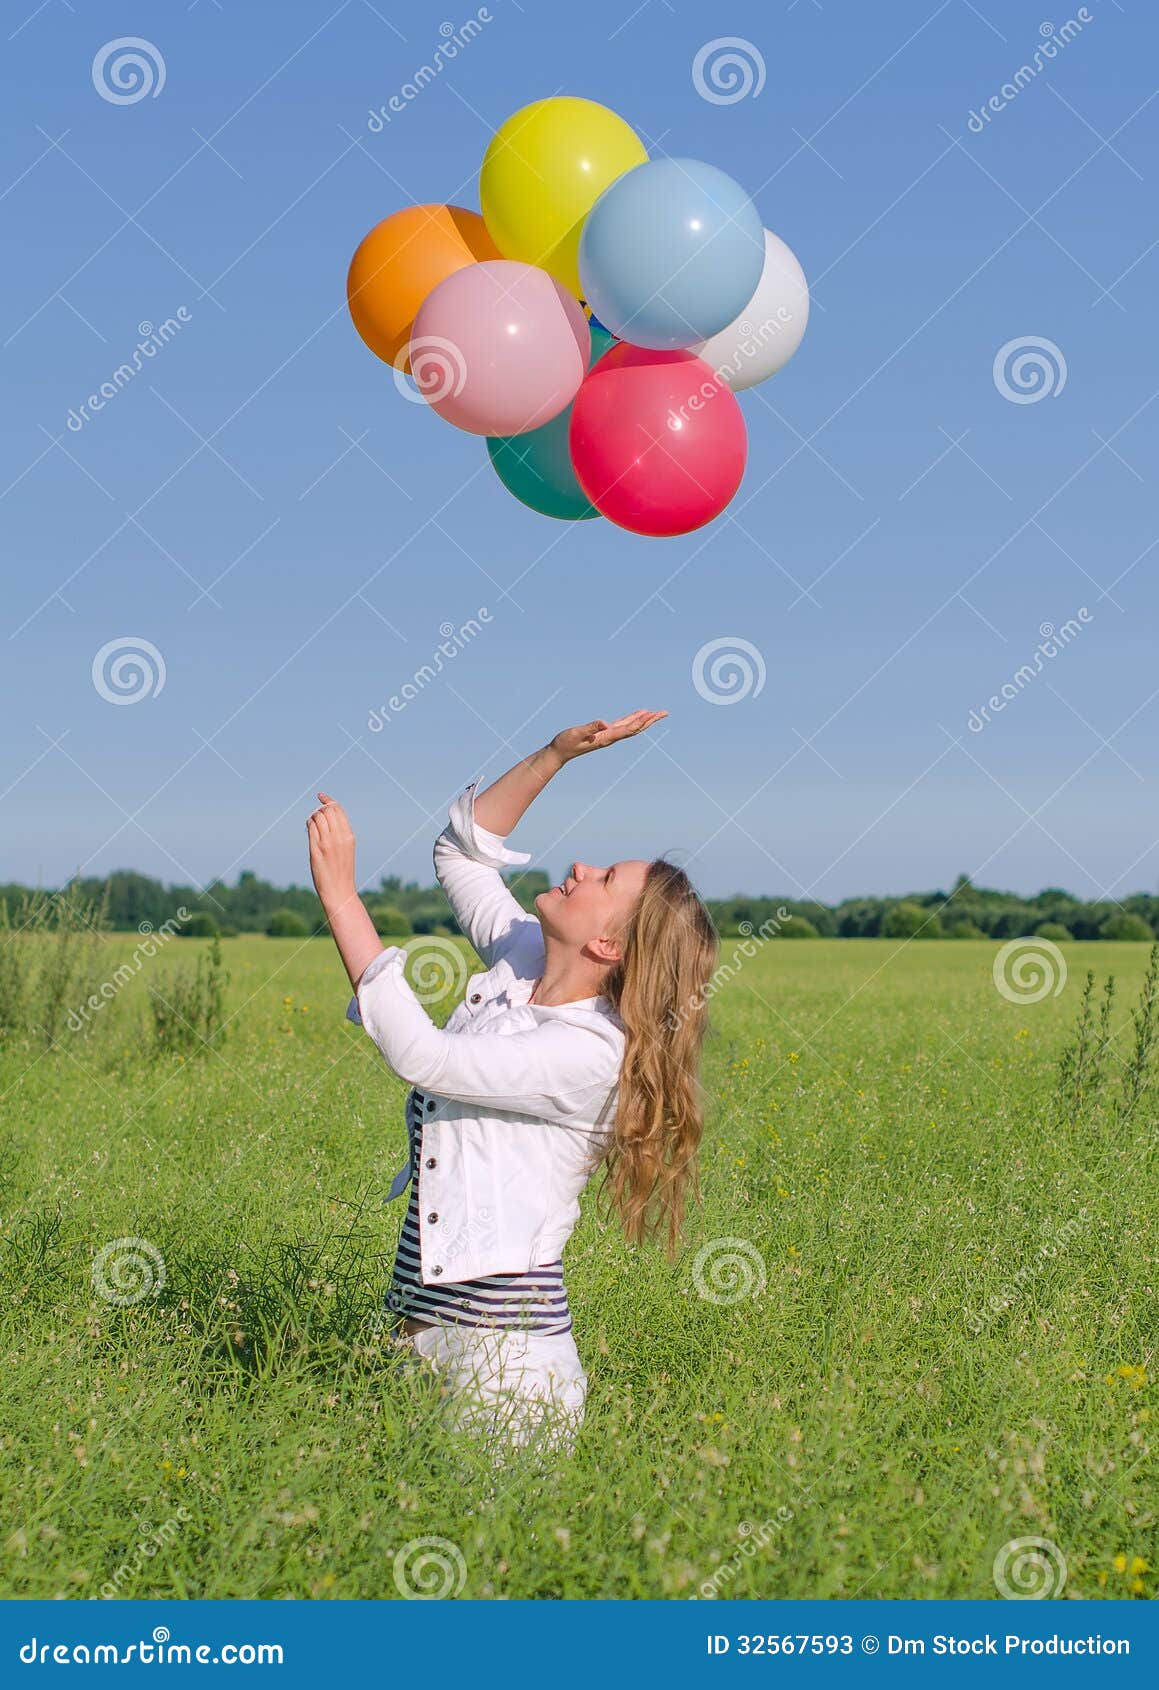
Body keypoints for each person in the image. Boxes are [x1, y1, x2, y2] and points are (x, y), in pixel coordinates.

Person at [307, 710, 718, 1453]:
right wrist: (556, 755)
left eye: (605, 880)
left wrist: (342, 899)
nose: (582, 866)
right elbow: (461, 856)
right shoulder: (523, 959)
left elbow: (424, 1058)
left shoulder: (590, 1052)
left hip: (506, 1368)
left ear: (606, 942)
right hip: (418, 1338)